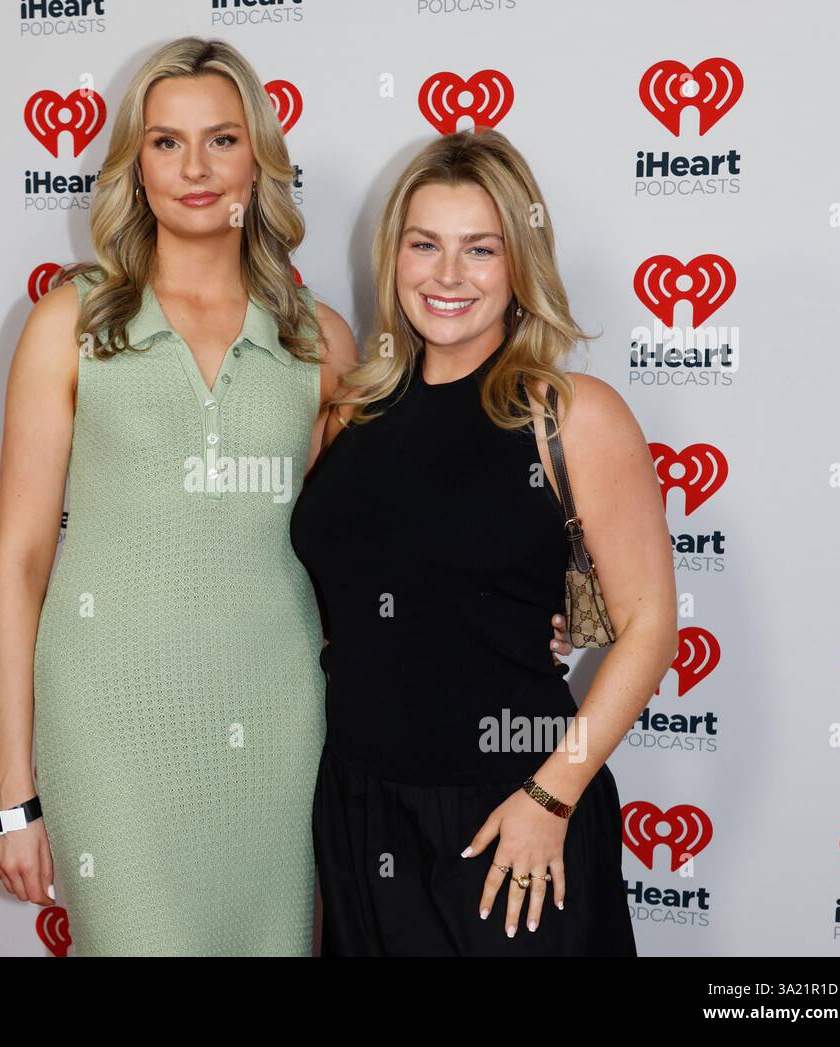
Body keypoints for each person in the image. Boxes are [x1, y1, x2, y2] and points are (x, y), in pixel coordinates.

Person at [0, 38, 573, 956]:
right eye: (166, 142)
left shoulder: (322, 340)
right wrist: (11, 786)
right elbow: (20, 561)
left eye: (221, 140)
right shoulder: (72, 323)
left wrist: (527, 616)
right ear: (134, 165)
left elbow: (394, 526)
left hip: (282, 725)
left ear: (258, 161)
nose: (194, 168)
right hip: (109, 725)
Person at [290, 127, 679, 956]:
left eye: (481, 249)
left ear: (521, 266)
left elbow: (649, 624)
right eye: (425, 244)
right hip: (361, 805)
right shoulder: (349, 412)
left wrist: (553, 794)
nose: (448, 275)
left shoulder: (569, 412)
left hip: (514, 804)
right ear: (393, 256)